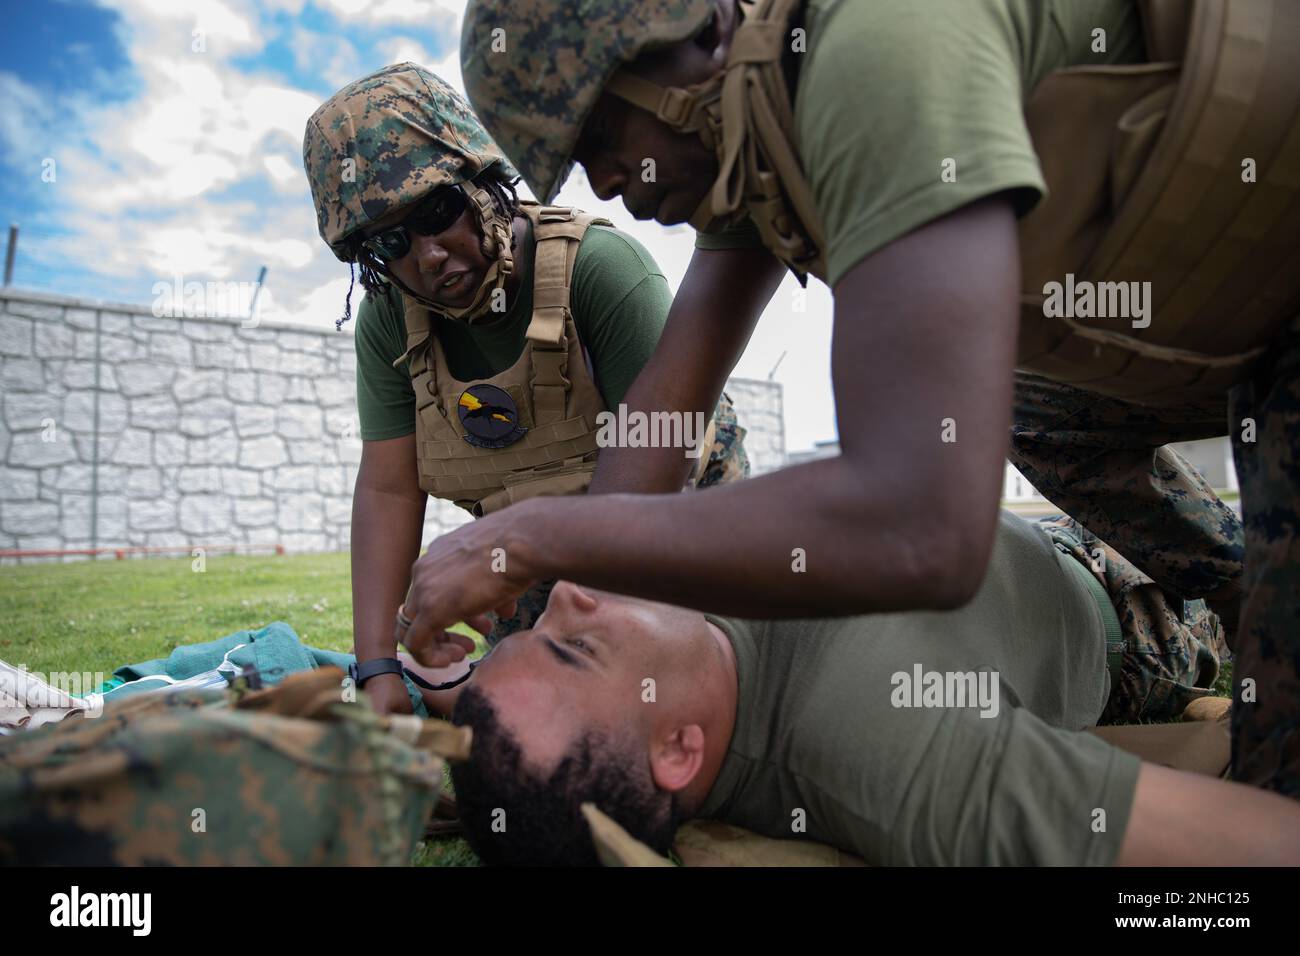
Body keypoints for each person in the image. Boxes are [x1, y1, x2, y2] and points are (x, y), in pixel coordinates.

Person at [387, 0, 1300, 792]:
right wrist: (566, 613)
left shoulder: (874, 49)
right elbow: (666, 411)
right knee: (1028, 404)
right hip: (1235, 331)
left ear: (696, 38)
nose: (609, 189)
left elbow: (920, 524)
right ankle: (1233, 587)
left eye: (600, 139)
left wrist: (527, 534)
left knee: (1279, 793)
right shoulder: (757, 141)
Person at [445, 513, 1298, 866]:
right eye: (576, 649)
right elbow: (1249, 847)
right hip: (1136, 606)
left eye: (532, 628)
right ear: (677, 750)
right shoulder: (892, 748)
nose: (563, 594)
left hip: (1039, 527)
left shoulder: (685, 633)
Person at [301, 63, 749, 714]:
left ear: (483, 184)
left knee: (635, 709)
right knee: (510, 709)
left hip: (681, 536)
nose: (427, 256)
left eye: (439, 211)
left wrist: (515, 558)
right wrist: (378, 672)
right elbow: (388, 486)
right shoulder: (390, 320)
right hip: (537, 560)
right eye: (392, 240)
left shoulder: (600, 273)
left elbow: (659, 487)